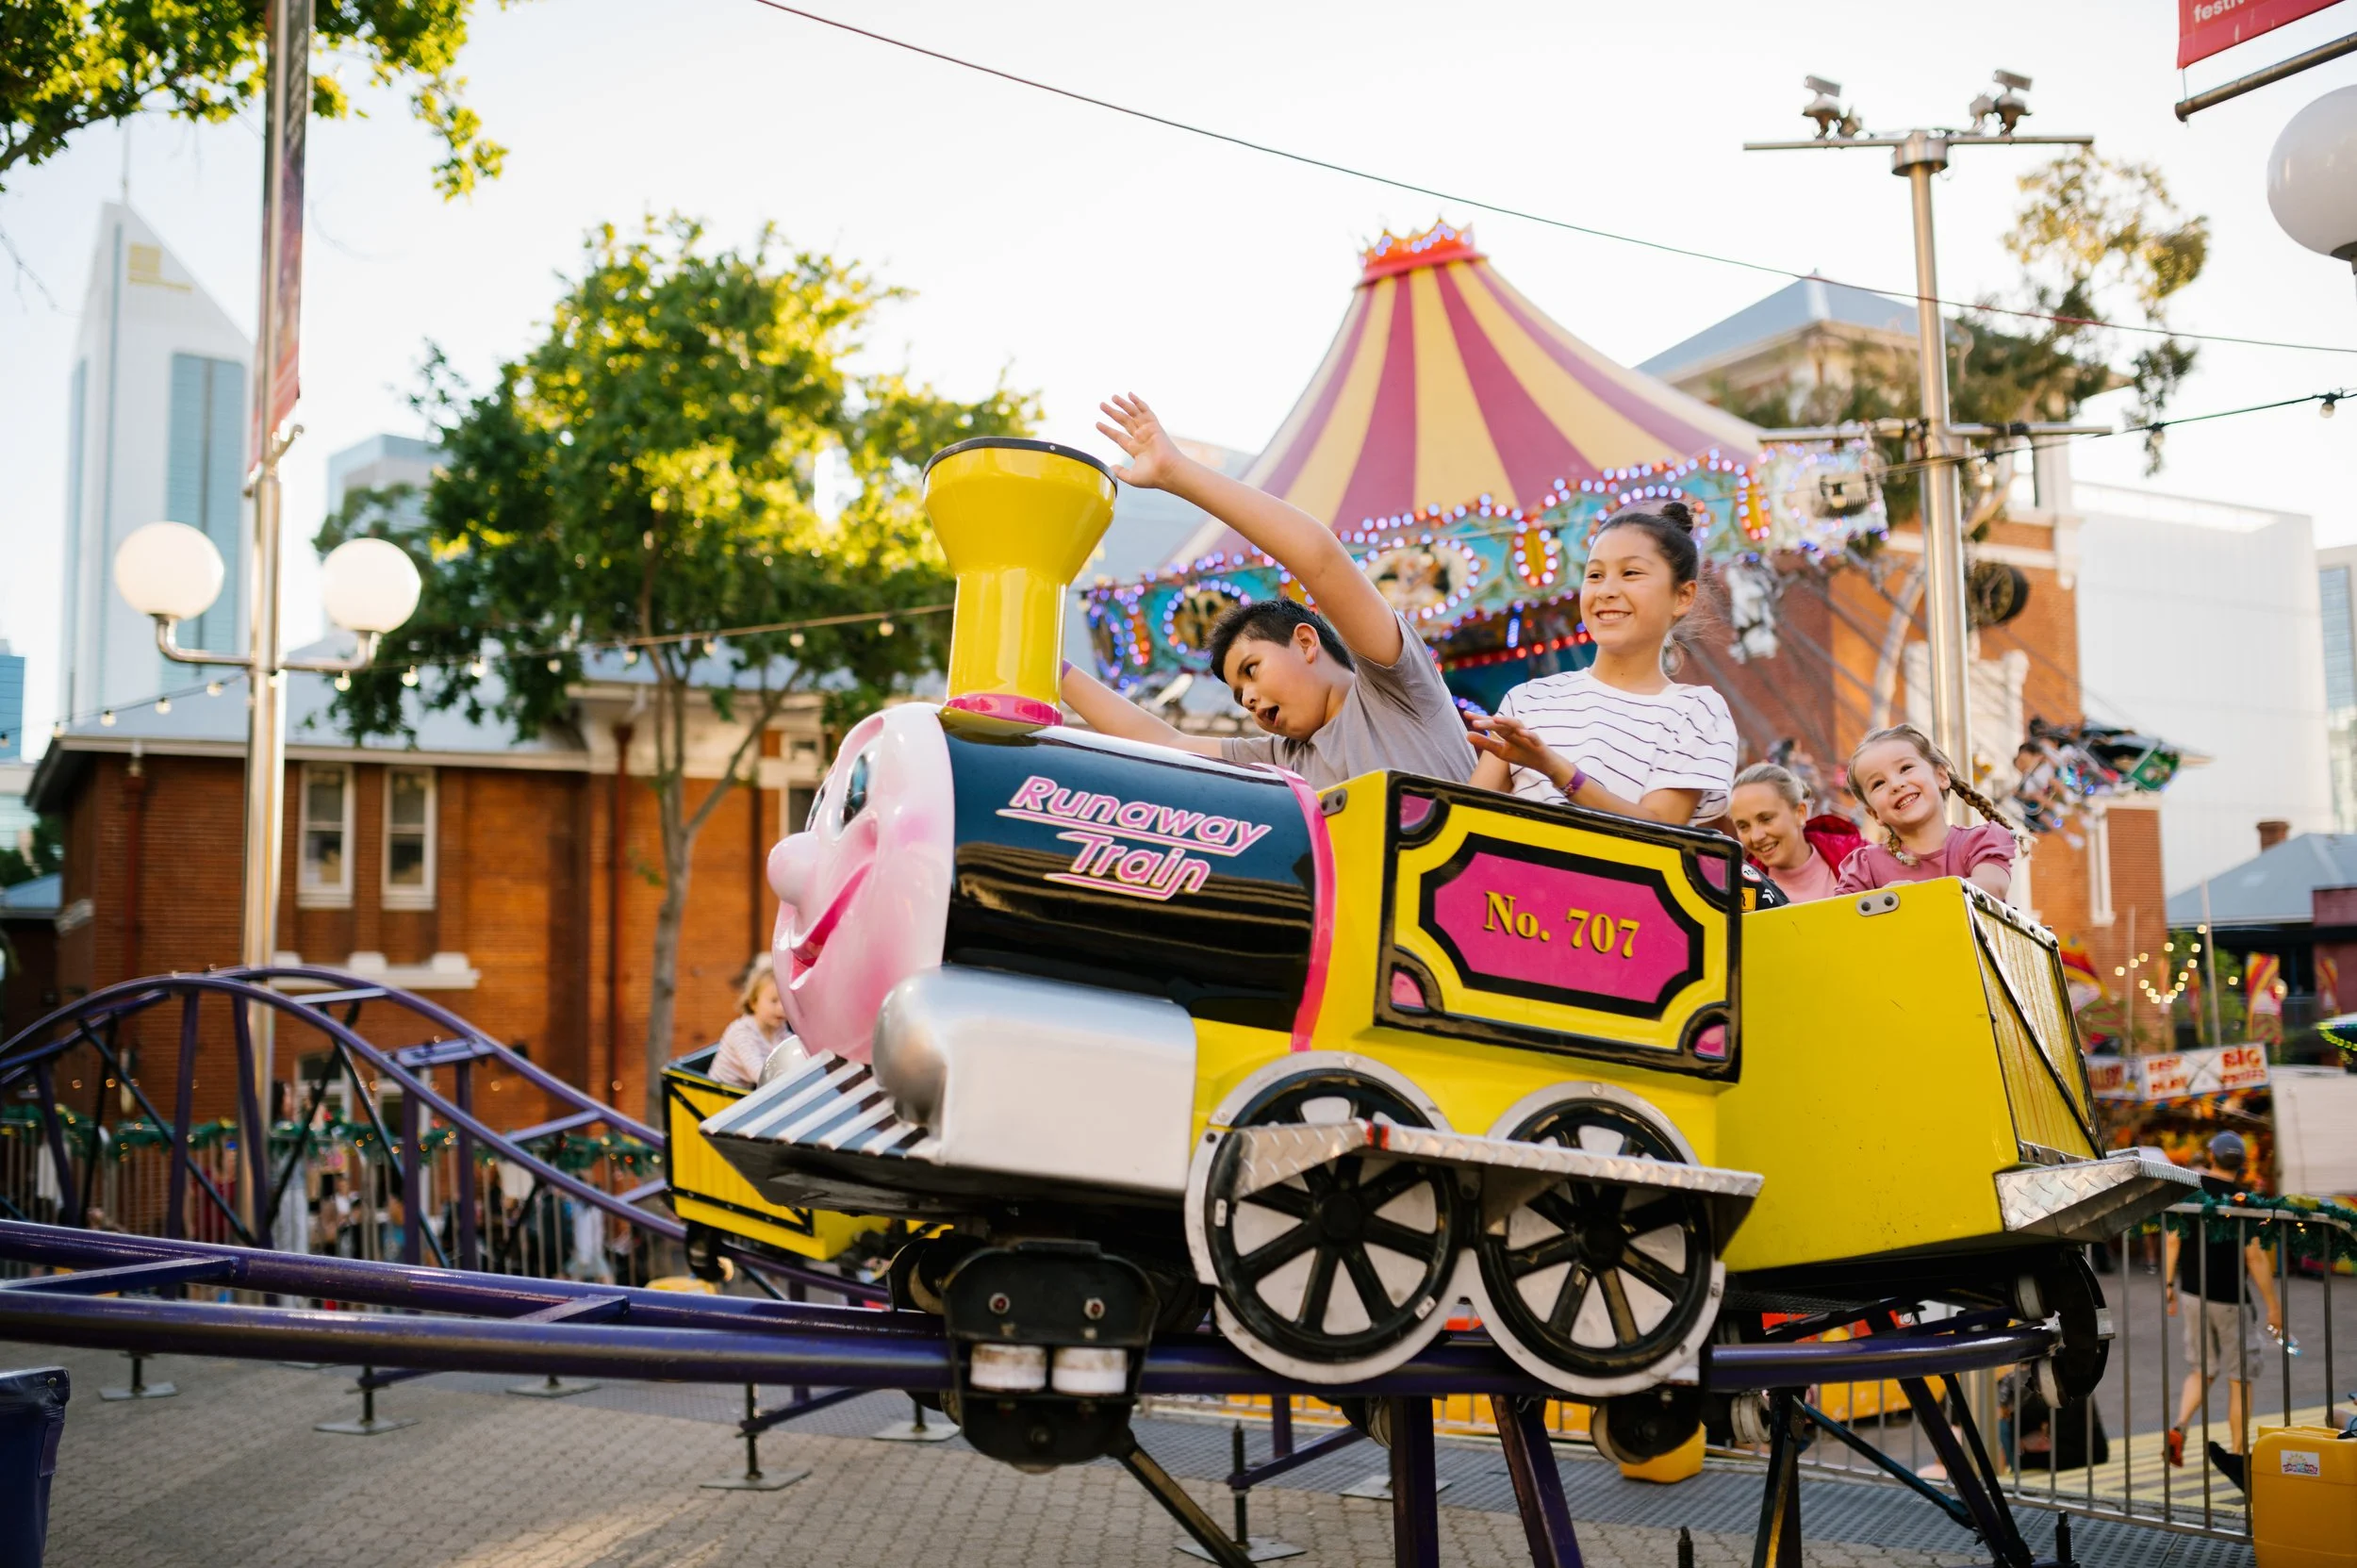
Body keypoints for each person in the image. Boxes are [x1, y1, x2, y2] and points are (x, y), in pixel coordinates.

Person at [1056, 394, 1477, 790]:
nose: (1250, 701)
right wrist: (1046, 660)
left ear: (1307, 641)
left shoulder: (1394, 689)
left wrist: (1175, 473)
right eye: (1240, 696)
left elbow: (1320, 558)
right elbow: (1165, 744)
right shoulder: (1281, 758)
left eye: (1252, 670)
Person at [1462, 502, 1738, 825]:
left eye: (1630, 573)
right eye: (1594, 575)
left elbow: (1663, 831)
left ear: (1682, 596)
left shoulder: (1695, 711)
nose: (1606, 590)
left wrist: (1556, 769)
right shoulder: (1527, 699)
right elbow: (1469, 819)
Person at [2164, 1131, 2285, 1470]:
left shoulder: (2191, 1190)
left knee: (2202, 1368)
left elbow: (2173, 1240)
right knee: (2240, 1378)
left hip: (2192, 1293)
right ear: (2241, 1163)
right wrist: (2274, 1306)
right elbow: (2255, 1257)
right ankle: (2236, 1452)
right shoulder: (2243, 1200)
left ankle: (2179, 1427)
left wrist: (2168, 1285)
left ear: (2211, 1156)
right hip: (2230, 1298)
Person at [1832, 723, 2023, 899]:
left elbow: (1991, 888)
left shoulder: (1980, 841)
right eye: (1878, 783)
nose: (1896, 785)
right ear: (1874, 814)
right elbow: (1841, 918)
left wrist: (1913, 897)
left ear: (1941, 776)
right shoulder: (1865, 866)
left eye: (1906, 768)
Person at [1727, 762, 1863, 903]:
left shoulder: (1861, 860)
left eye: (1766, 819)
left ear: (1800, 813)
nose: (1756, 837)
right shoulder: (1739, 894)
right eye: (1743, 826)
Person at [711, 955, 797, 1088]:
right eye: (774, 1001)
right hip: (721, 1095)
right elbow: (759, 1073)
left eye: (784, 1001)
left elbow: (791, 1049)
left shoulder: (779, 1028)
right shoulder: (741, 1032)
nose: (781, 1008)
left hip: (748, 1092)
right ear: (753, 1003)